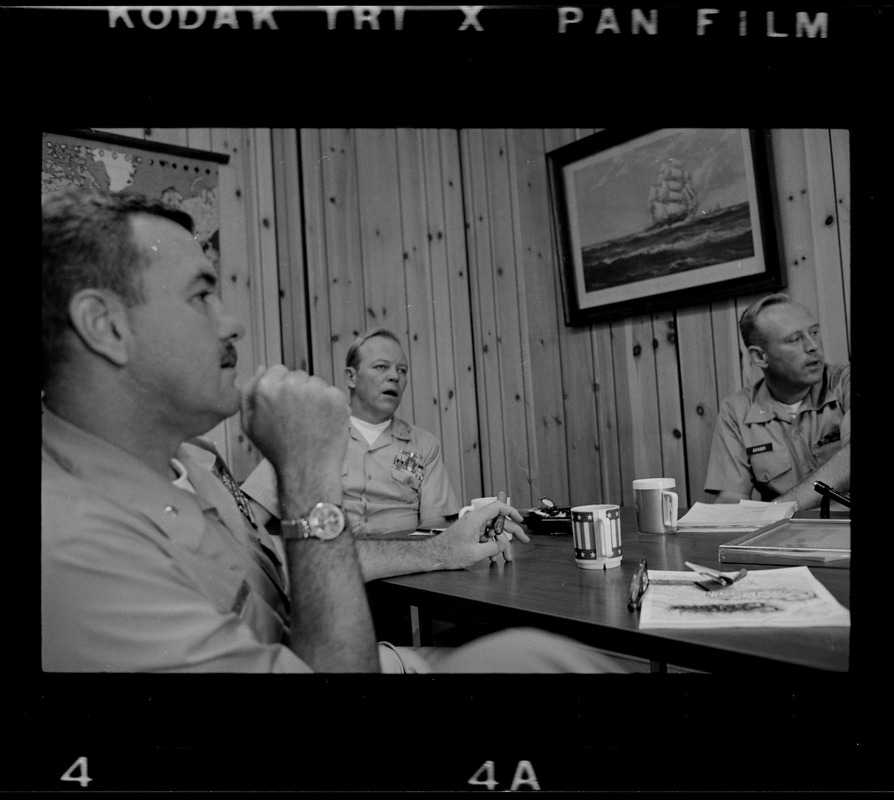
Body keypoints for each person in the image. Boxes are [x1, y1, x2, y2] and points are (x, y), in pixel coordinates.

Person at [42, 186, 625, 674]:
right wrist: (308, 470)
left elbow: (290, 567)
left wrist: (446, 548)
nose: (233, 323)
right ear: (105, 326)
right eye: (201, 295)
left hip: (338, 648)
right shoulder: (73, 547)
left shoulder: (191, 462)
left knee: (541, 656)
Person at [241, 328, 520, 580]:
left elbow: (436, 526)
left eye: (402, 370)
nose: (394, 377)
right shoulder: (307, 436)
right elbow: (246, 520)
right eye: (381, 367)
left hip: (407, 575)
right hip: (331, 573)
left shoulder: (424, 445)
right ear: (351, 377)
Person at [704, 293, 850, 511]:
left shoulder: (845, 381)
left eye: (814, 333)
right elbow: (731, 499)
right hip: (783, 538)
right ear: (760, 357)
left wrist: (778, 510)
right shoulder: (736, 410)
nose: (813, 346)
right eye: (794, 339)